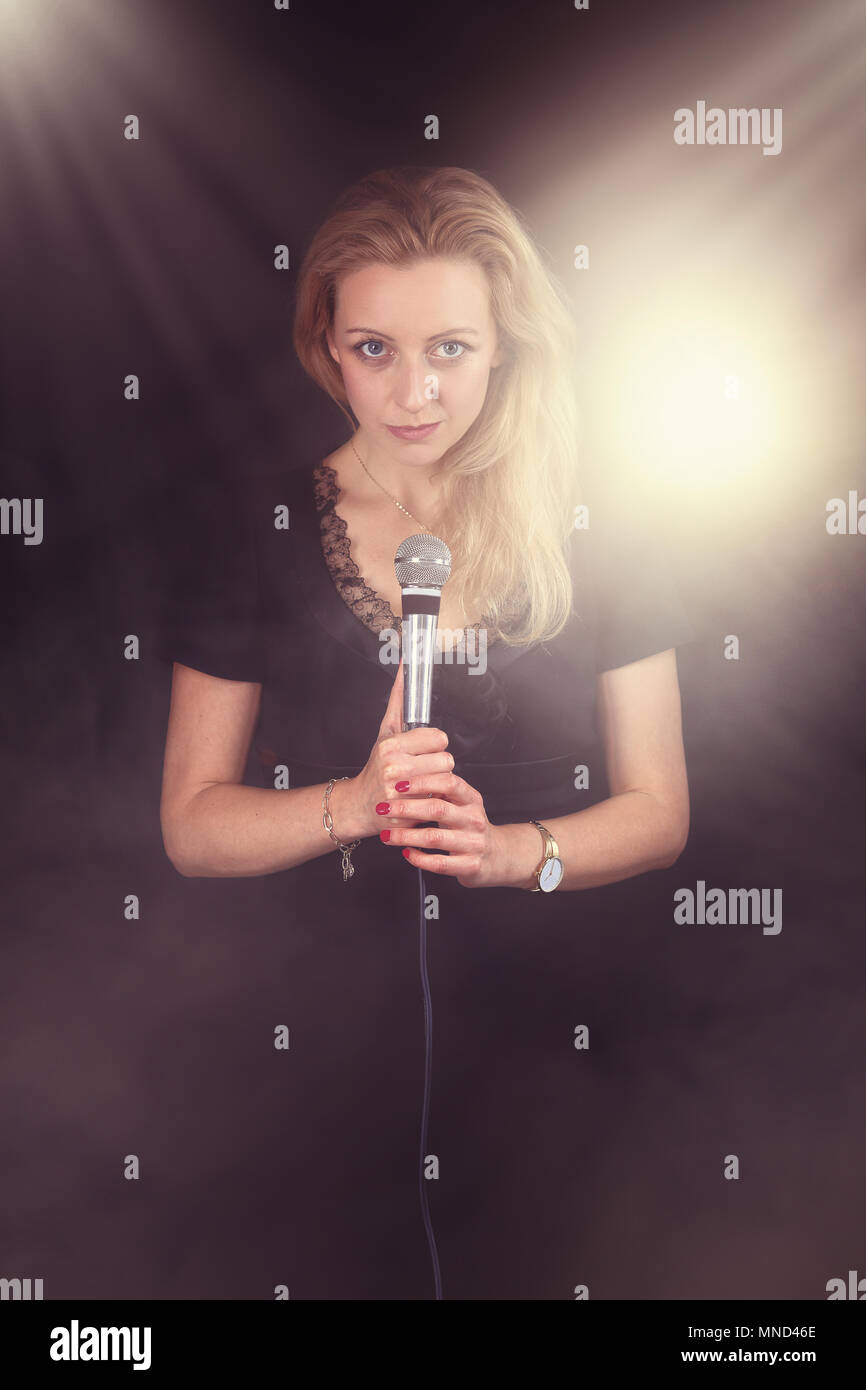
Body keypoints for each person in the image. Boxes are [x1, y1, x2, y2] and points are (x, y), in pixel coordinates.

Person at [157, 165, 696, 1299]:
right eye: (374, 350)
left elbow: (658, 809)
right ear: (325, 345)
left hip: (562, 1046)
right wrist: (352, 804)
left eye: (450, 347)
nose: (413, 391)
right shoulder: (251, 528)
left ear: (503, 345)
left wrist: (514, 852)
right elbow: (192, 828)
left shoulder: (603, 517)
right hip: (318, 1047)